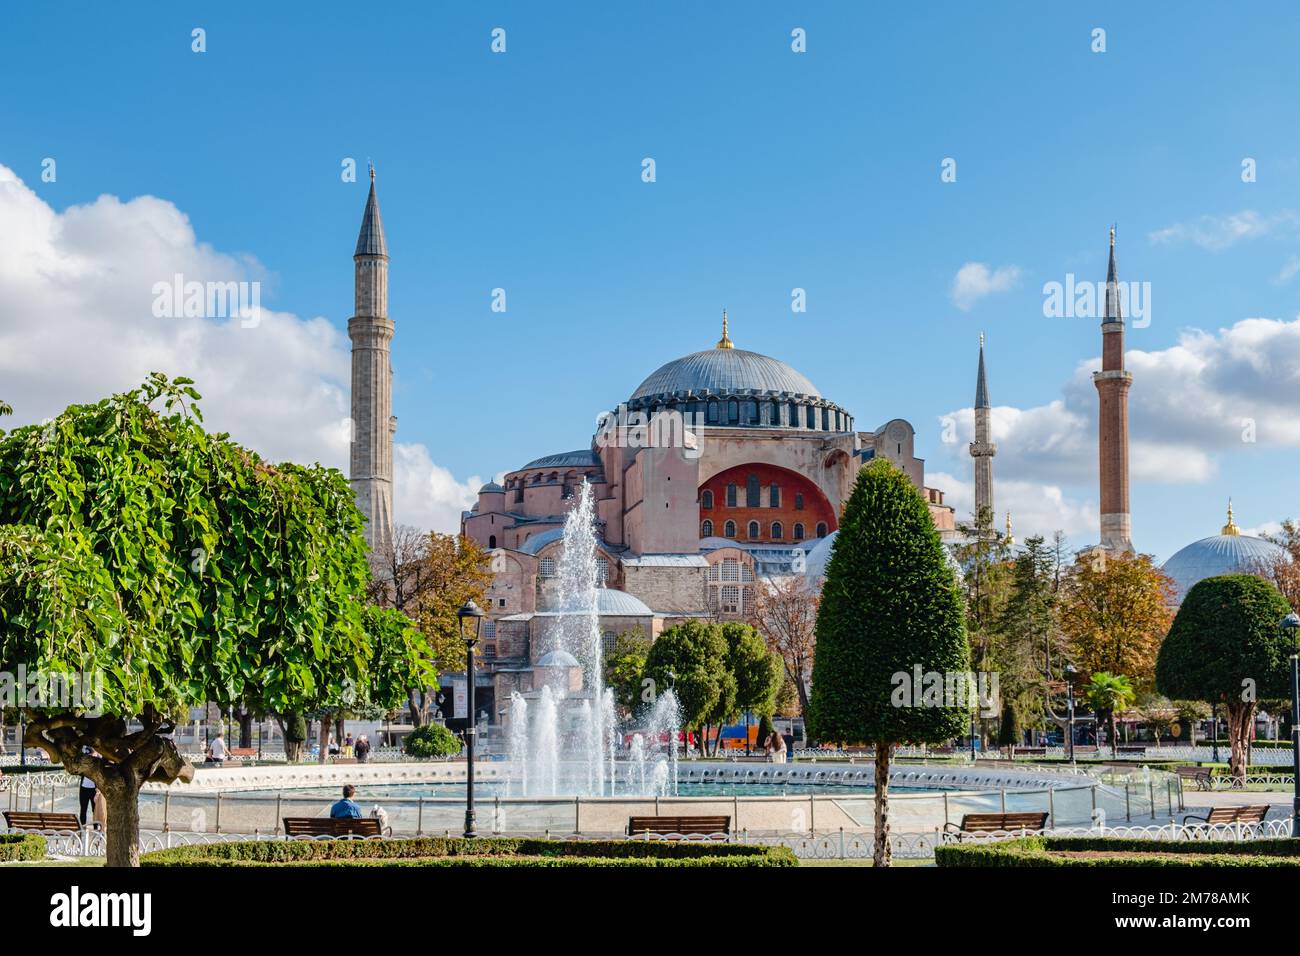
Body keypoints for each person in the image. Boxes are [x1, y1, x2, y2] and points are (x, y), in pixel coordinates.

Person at [78, 748, 98, 825]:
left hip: (94, 790)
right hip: (84, 789)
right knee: (83, 810)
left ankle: (96, 827)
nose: (88, 757)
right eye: (87, 756)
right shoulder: (83, 765)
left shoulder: (96, 764)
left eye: (90, 755)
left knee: (95, 810)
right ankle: (82, 827)